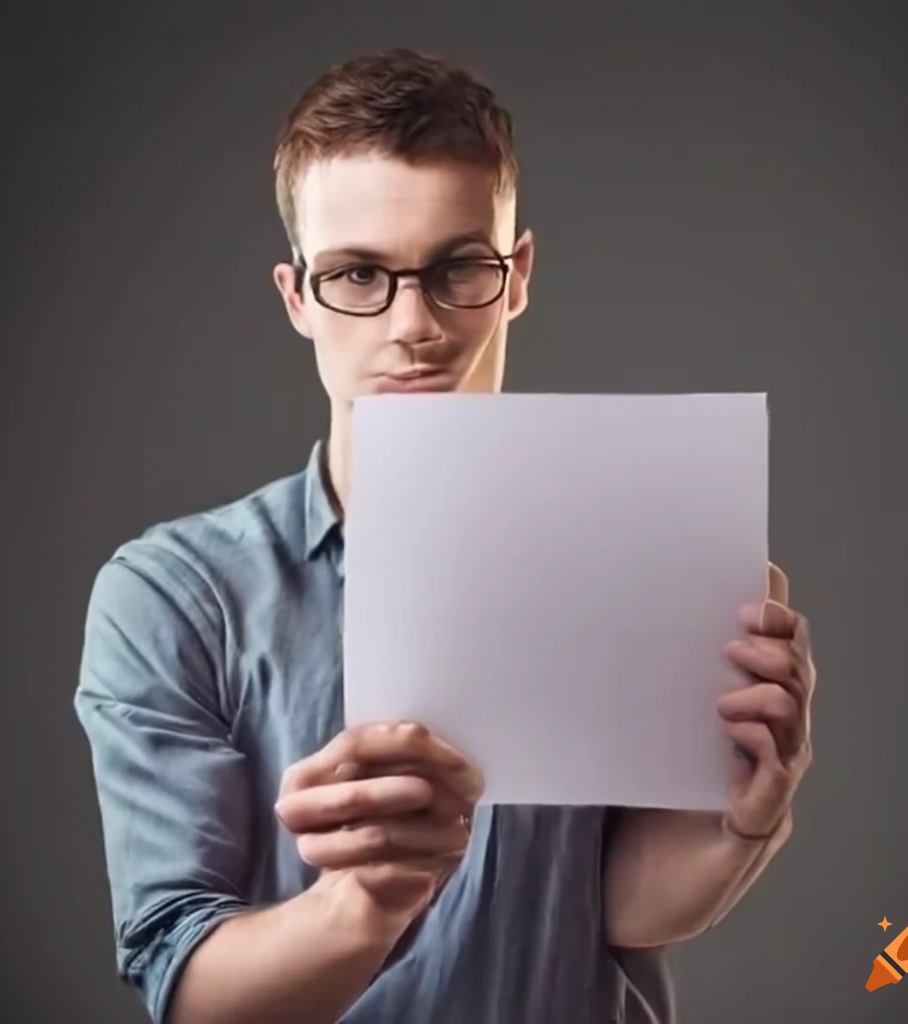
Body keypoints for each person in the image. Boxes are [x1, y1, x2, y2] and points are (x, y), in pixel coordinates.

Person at [74, 47, 817, 1024]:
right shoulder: (174, 594)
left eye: (458, 266)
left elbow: (615, 906)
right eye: (356, 275)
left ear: (516, 276)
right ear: (299, 298)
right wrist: (361, 904)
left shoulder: (640, 536)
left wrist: (746, 814)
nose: (413, 322)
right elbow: (189, 989)